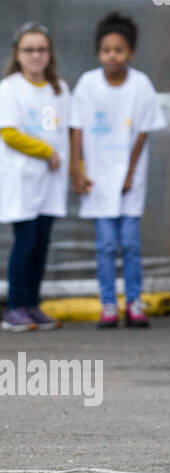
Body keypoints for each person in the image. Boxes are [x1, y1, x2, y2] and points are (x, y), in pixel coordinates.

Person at [69, 13, 167, 327]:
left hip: (129, 181)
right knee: (106, 245)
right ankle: (108, 304)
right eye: (106, 49)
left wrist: (129, 172)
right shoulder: (87, 84)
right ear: (99, 52)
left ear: (131, 53)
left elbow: (142, 131)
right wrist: (77, 170)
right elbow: (77, 129)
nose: (112, 55)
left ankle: (134, 303)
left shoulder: (140, 85)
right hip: (98, 179)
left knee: (131, 244)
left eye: (119, 49)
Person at [0, 23, 70, 331]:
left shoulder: (58, 89)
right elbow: (9, 133)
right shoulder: (10, 88)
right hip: (23, 179)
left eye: (42, 49)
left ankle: (32, 303)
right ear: (17, 54)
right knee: (25, 241)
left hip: (50, 181)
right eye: (29, 50)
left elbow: (60, 130)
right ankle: (15, 305)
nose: (36, 56)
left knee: (42, 242)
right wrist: (45, 153)